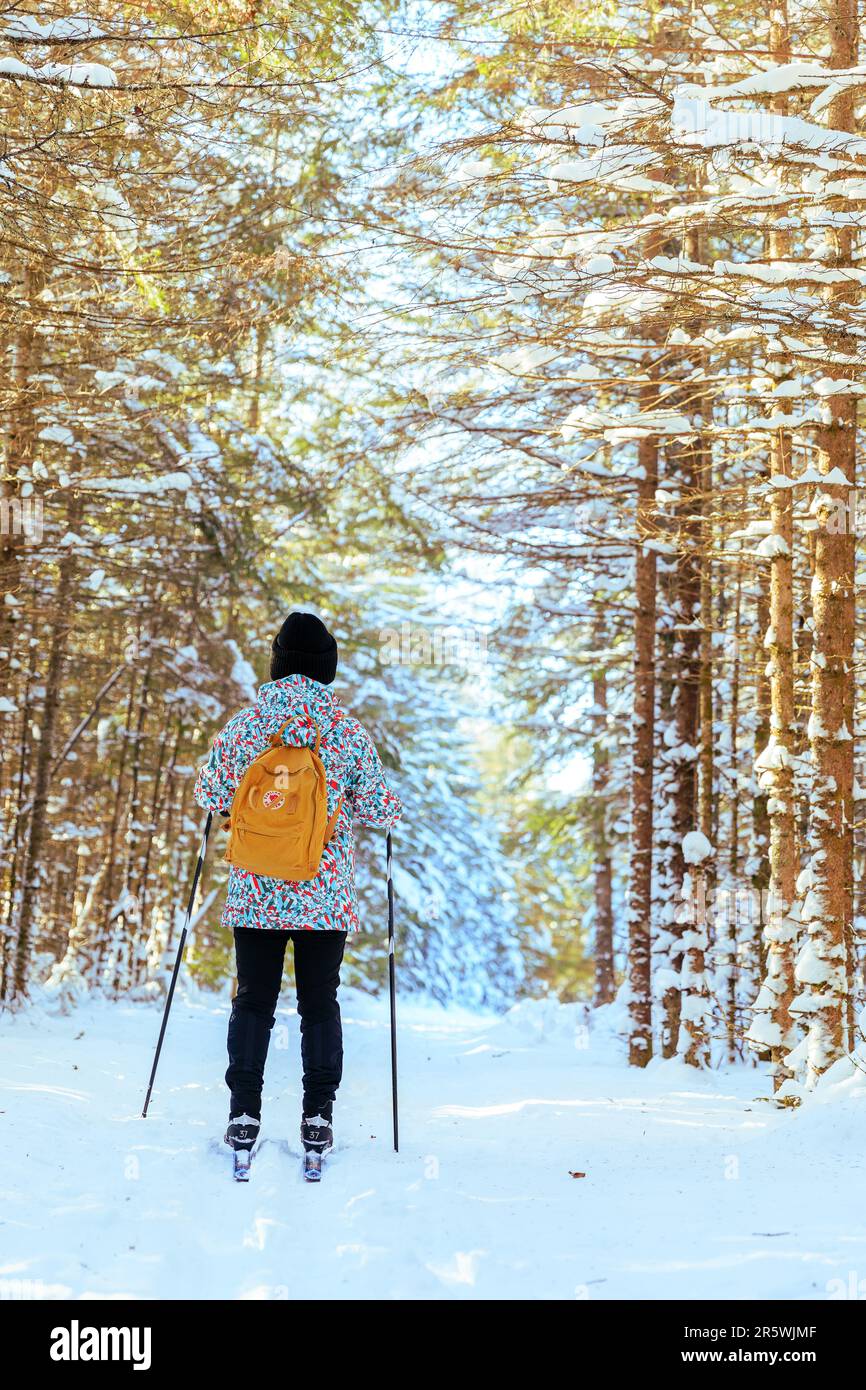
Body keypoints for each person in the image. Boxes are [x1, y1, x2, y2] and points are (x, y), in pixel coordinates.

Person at [194, 611, 402, 1157]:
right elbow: (380, 809)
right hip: (323, 893)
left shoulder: (245, 726)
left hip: (255, 891)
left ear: (277, 664)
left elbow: (214, 797)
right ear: (327, 668)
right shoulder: (346, 730)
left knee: (253, 1001)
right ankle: (317, 1116)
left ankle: (243, 1114)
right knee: (319, 1003)